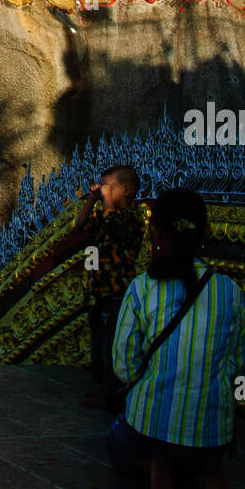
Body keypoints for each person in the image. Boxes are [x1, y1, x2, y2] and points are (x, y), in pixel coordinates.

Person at [108, 189, 245, 489]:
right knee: (205, 415)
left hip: (150, 426)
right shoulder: (229, 290)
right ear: (205, 233)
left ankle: (161, 473)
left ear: (156, 234)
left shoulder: (142, 287)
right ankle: (213, 479)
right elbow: (237, 368)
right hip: (214, 428)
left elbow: (124, 367)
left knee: (117, 443)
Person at [75, 166, 149, 409]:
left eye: (109, 185)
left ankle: (113, 394)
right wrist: (92, 200)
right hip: (101, 289)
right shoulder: (107, 214)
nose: (103, 189)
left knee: (112, 344)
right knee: (100, 341)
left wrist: (102, 201)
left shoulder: (129, 217)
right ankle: (103, 388)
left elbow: (108, 221)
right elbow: (80, 224)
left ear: (127, 190)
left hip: (117, 290)